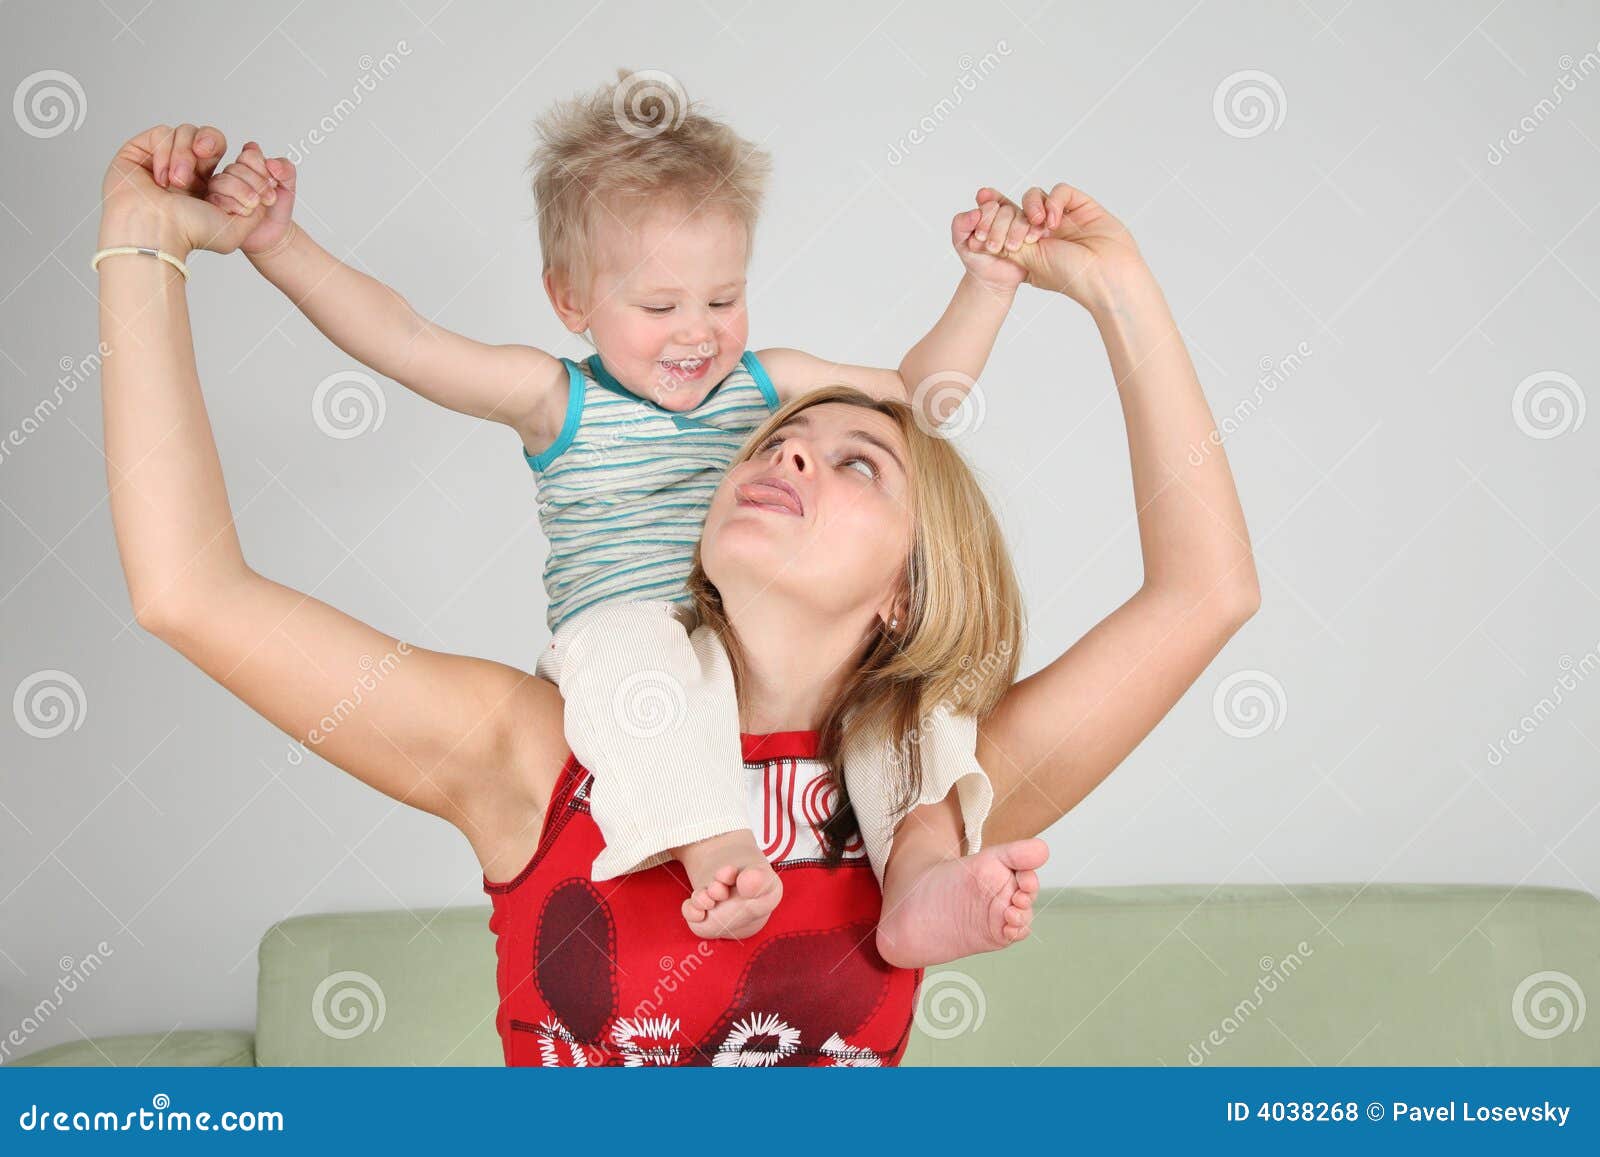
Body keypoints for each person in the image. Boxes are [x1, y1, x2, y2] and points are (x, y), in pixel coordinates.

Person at [94, 121, 1259, 1065]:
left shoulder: (938, 782)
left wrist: (1114, 288)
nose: (791, 449)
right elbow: (190, 590)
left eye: (859, 460)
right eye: (776, 445)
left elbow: (1205, 592)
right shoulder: (539, 752)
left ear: (906, 587)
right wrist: (143, 245)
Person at [186, 71, 1040, 945]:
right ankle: (716, 845)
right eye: (659, 305)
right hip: (622, 657)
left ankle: (918, 884)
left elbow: (914, 401)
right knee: (632, 645)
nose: (697, 332)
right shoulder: (558, 401)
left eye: (723, 299)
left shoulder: (770, 383)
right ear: (571, 299)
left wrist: (988, 286)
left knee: (907, 706)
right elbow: (405, 341)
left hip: (752, 658)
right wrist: (278, 245)